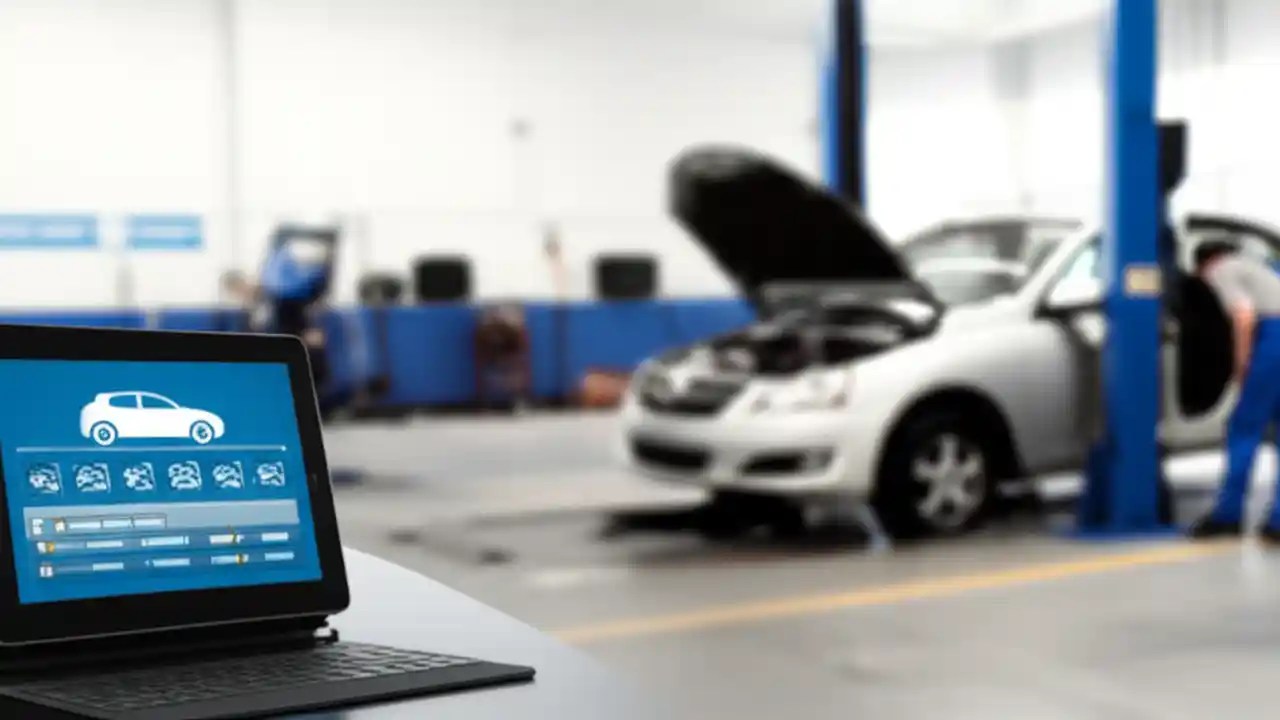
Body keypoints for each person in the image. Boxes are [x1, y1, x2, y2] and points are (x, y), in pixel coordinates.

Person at [1189, 240, 1280, 541]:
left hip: (1272, 340)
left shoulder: (1221, 270)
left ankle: (1228, 516)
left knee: (1244, 427)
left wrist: (1242, 367)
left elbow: (1243, 316)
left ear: (1204, 264)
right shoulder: (1257, 267)